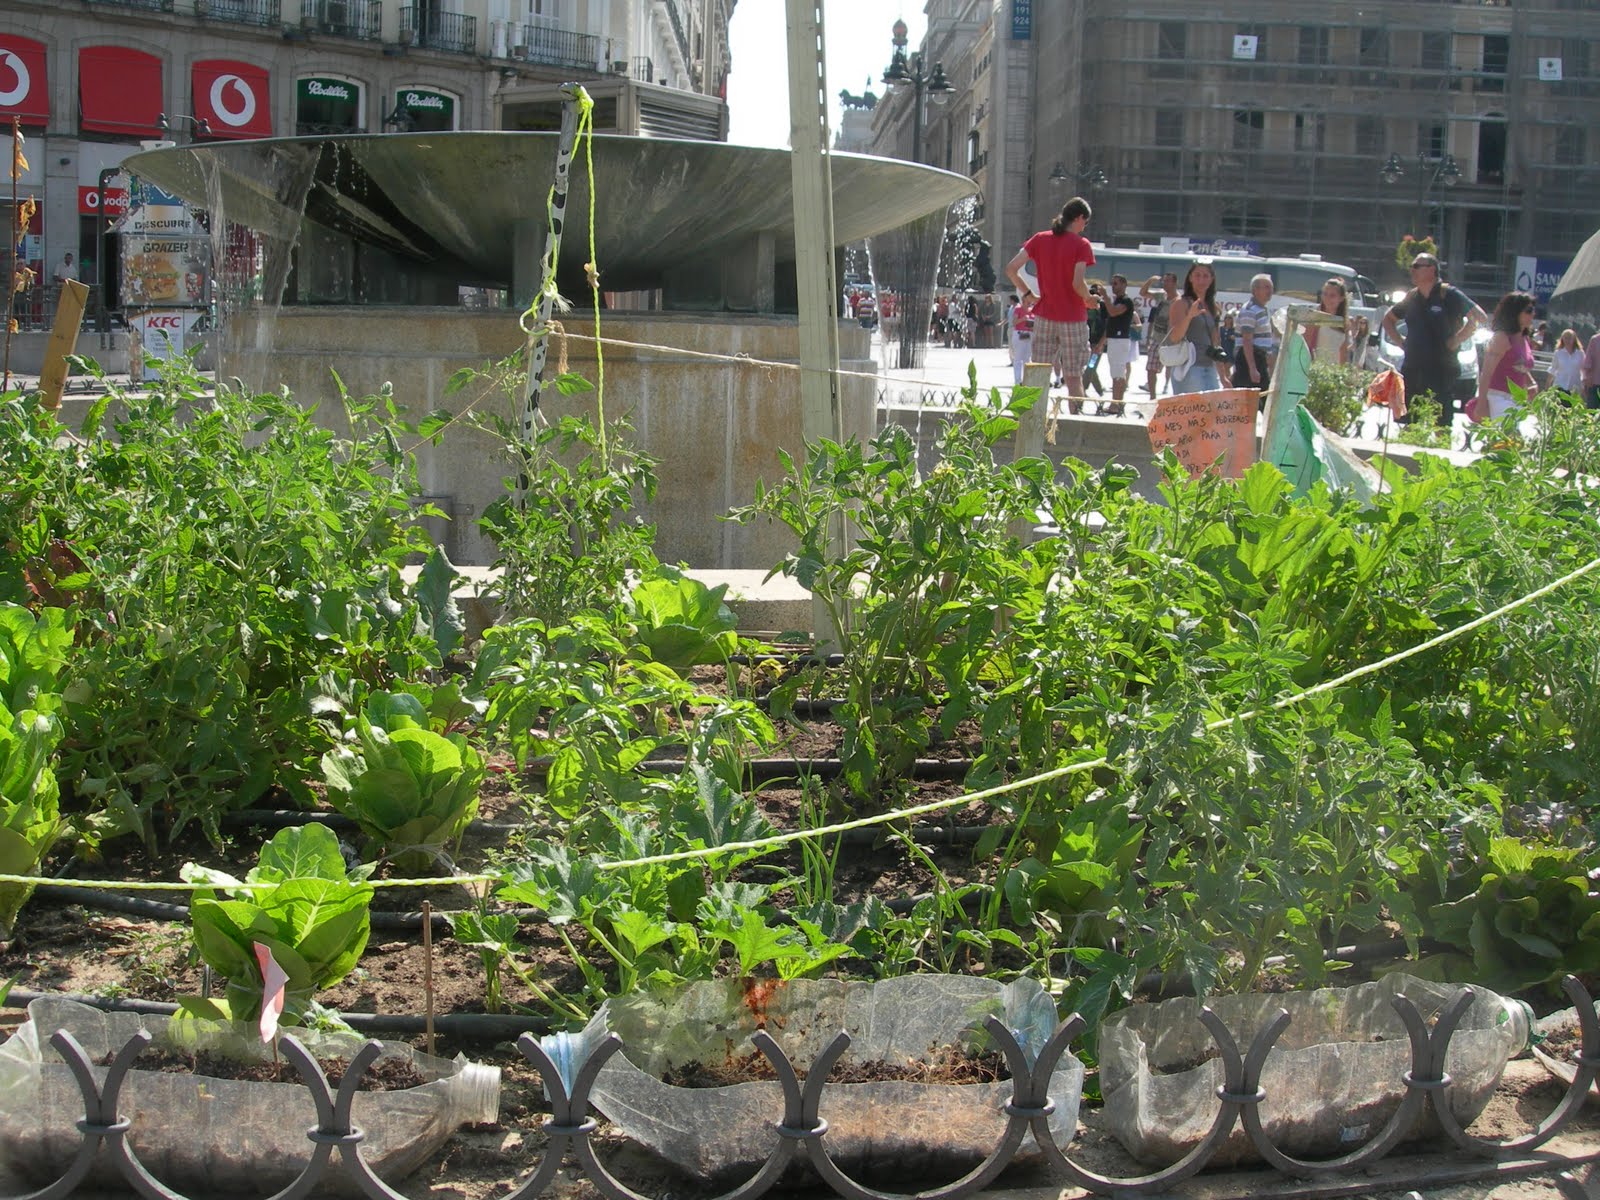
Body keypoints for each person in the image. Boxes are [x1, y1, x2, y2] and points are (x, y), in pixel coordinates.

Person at [1006, 196, 1096, 410]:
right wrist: (1089, 298)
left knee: (1038, 375)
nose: (1084, 227)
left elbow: (1011, 268)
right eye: (1085, 222)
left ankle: (1033, 425)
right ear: (1079, 218)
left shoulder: (1040, 239)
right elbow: (1077, 282)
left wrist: (1028, 294)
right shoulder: (1081, 244)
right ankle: (1076, 427)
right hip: (1073, 317)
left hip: (1045, 315)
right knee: (1073, 376)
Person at [1381, 252, 1485, 421]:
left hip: (1441, 371)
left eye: (1416, 266)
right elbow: (1388, 319)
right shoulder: (1412, 296)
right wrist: (1401, 342)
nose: (1412, 271)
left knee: (1441, 423)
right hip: (1413, 369)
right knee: (1409, 421)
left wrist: (1457, 339)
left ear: (1431, 270)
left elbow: (1479, 317)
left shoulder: (1449, 294)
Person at [1475, 290, 1540, 421]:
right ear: (1515, 312)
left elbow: (1519, 366)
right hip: (1498, 398)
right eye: (1528, 310)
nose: (1533, 314)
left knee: (1514, 440)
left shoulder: (1524, 339)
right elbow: (1486, 373)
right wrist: (1481, 404)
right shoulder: (1502, 338)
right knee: (1507, 439)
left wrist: (1531, 383)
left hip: (1517, 399)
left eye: (1533, 310)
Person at [1164, 260, 1226, 394]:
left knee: (1210, 413)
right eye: (1197, 275)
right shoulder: (1181, 303)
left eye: (1205, 276)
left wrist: (1223, 376)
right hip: (1189, 368)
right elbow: (1175, 337)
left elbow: (1216, 342)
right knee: (1192, 414)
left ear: (1211, 279)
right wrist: (1189, 316)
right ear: (1190, 278)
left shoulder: (1213, 307)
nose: (1201, 280)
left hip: (1209, 367)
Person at [1232, 273, 1276, 396]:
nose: (1270, 291)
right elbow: (1247, 340)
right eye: (1266, 287)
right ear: (1255, 290)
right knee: (1252, 401)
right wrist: (1252, 368)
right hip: (1250, 359)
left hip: (1260, 359)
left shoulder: (1262, 309)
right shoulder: (1250, 310)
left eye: (1271, 287)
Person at [1100, 274, 1135, 414]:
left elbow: (1113, 313)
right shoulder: (1117, 301)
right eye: (1112, 283)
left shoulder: (1126, 301)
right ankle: (1117, 402)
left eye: (1116, 283)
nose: (1113, 286)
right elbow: (1110, 323)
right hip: (1114, 339)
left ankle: (1116, 404)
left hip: (1120, 340)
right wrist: (1102, 341)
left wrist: (1105, 297)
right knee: (1116, 372)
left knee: (1118, 373)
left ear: (1124, 284)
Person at [1141, 272, 1178, 395]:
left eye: (1168, 281)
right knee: (1151, 368)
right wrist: (1150, 281)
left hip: (1170, 340)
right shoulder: (1161, 296)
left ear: (1174, 283)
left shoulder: (1178, 301)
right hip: (1157, 338)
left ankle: (1170, 390)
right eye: (1164, 281)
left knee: (1171, 368)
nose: (1165, 283)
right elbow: (1143, 293)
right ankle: (1152, 397)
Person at [1304, 277, 1350, 366]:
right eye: (1325, 294)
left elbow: (1343, 353)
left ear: (1341, 298)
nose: (1327, 298)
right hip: (1316, 369)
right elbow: (1305, 344)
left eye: (1332, 295)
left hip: (1333, 371)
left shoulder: (1344, 322)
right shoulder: (1315, 317)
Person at [1010, 291, 1035, 385]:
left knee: (1027, 358)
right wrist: (1023, 319)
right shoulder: (1018, 309)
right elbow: (1014, 322)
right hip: (1019, 334)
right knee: (1018, 358)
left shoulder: (1033, 310)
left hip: (1029, 334)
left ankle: (1026, 380)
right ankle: (1017, 381)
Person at [1550, 328, 1584, 396]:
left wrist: (1583, 384)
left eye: (1570, 338)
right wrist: (1548, 385)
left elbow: (1583, 369)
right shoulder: (1558, 353)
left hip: (1574, 387)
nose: (1567, 340)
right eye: (1565, 338)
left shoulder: (1580, 354)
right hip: (1560, 385)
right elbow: (1553, 368)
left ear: (1574, 339)